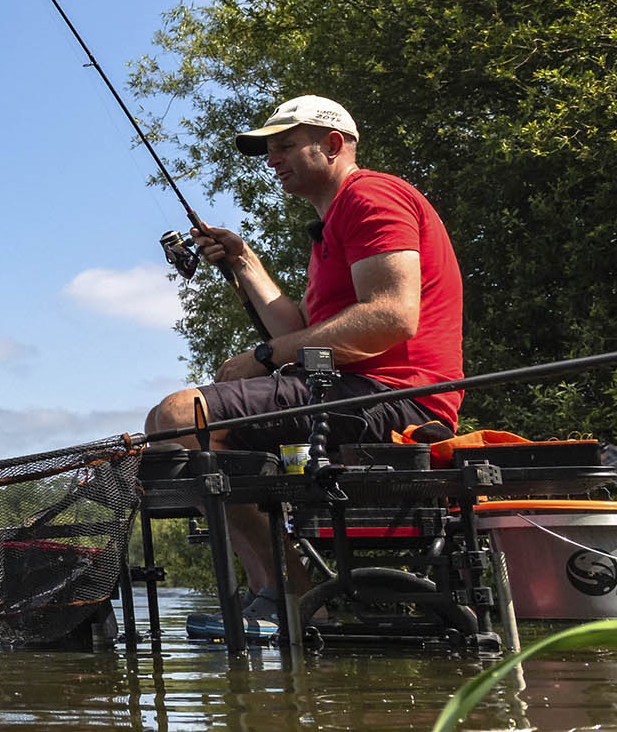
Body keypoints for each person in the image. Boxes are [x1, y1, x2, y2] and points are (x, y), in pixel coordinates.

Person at [144, 95, 464, 630]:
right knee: (174, 423)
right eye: (270, 151)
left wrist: (265, 357)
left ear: (333, 144)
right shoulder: (332, 226)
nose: (274, 161)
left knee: (182, 419)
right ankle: (277, 594)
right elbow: (304, 335)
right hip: (354, 390)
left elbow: (391, 318)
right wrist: (244, 262)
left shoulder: (371, 197)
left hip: (394, 398)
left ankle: (286, 596)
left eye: (286, 146)